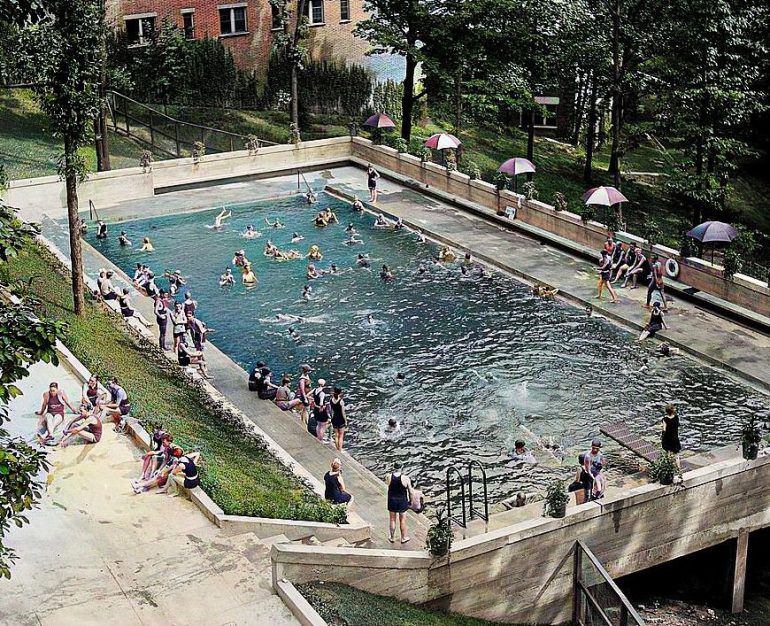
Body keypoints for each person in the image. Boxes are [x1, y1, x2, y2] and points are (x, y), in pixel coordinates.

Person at [386, 463, 412, 544]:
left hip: (392, 500)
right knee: (402, 520)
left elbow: (388, 484)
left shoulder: (388, 476)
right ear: (402, 468)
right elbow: (410, 492)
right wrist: (410, 501)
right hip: (402, 501)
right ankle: (403, 538)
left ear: (393, 467)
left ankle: (392, 537)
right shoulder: (406, 478)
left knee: (392, 519)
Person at [329, 387, 347, 452]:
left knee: (336, 435)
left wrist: (331, 417)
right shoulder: (341, 401)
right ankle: (340, 449)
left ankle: (337, 449)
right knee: (341, 435)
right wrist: (345, 421)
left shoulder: (331, 400)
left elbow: (331, 411)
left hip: (334, 418)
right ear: (339, 393)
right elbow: (343, 413)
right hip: (341, 419)